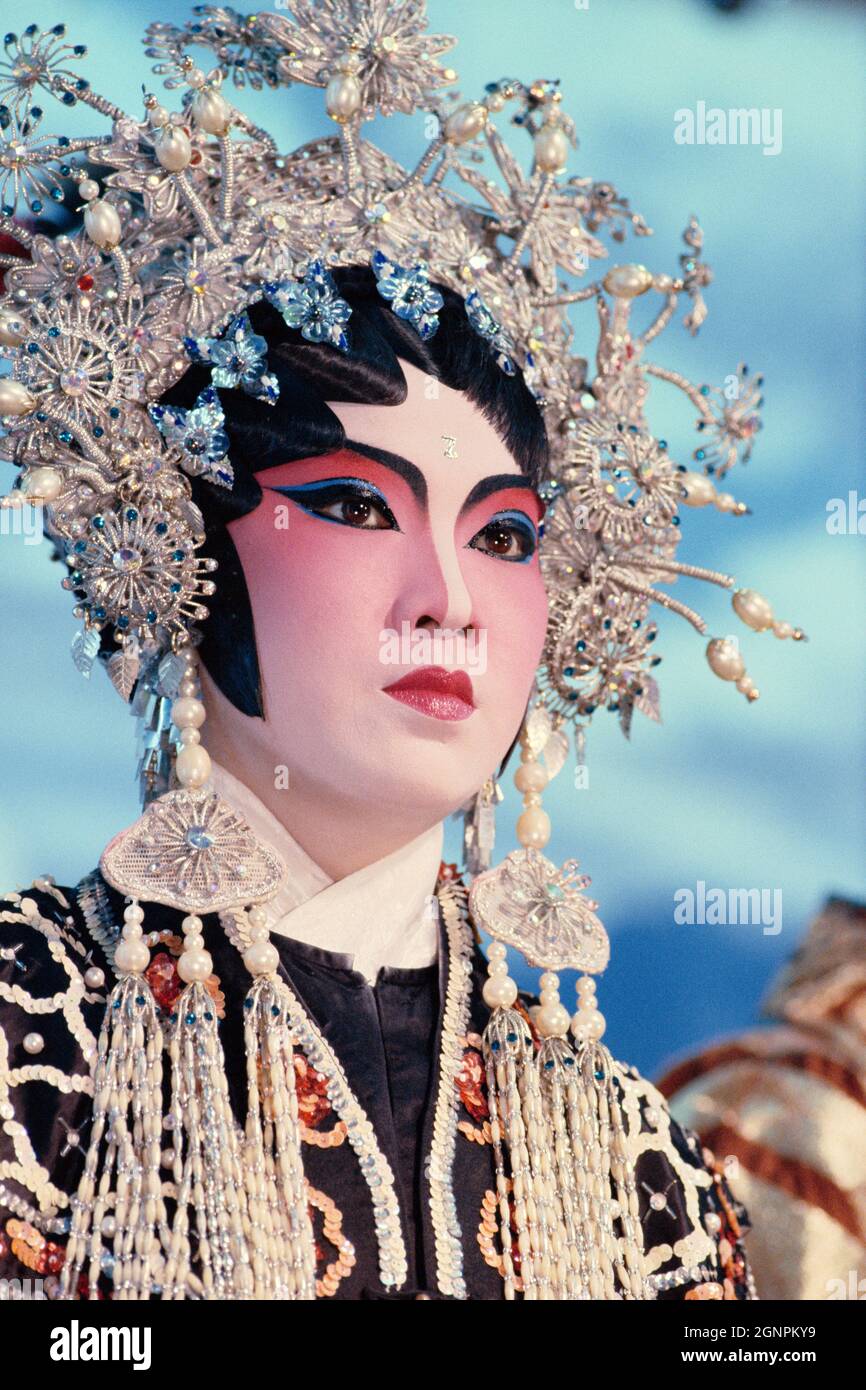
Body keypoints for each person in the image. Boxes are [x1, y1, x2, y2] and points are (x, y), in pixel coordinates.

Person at [0, 3, 794, 1300]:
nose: (449, 600)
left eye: (504, 533)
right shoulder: (31, 1039)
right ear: (171, 537)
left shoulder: (630, 1162)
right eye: (358, 507)